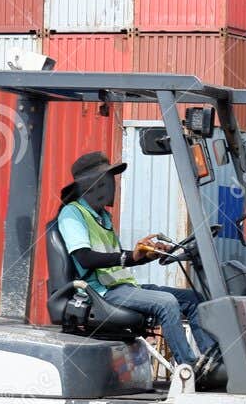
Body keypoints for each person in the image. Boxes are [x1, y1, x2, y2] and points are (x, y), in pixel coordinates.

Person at [56, 151, 220, 378]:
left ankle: (214, 363)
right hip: (101, 292)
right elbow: (85, 258)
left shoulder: (102, 216)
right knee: (167, 302)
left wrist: (145, 255)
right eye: (107, 180)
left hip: (123, 287)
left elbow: (114, 258)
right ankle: (189, 370)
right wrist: (129, 257)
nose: (113, 185)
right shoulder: (72, 214)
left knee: (193, 299)